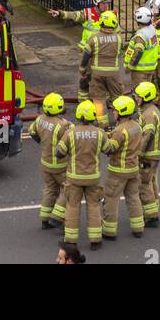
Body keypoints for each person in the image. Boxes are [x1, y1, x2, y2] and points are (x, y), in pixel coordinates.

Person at [55, 99, 115, 250]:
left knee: (72, 207)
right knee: (94, 206)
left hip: (74, 178)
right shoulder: (100, 133)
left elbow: (59, 153)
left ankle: (70, 241)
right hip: (93, 178)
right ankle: (95, 240)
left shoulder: (70, 133)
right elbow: (109, 150)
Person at [49, 0, 110, 100]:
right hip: (88, 52)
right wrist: (60, 13)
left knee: (102, 77)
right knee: (86, 76)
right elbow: (74, 15)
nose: (106, 6)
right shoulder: (88, 13)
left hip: (103, 52)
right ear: (97, 2)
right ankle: (83, 99)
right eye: (104, 3)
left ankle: (102, 99)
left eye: (107, 3)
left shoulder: (110, 15)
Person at [101, 95, 145, 240]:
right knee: (133, 198)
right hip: (133, 169)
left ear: (121, 112)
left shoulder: (120, 130)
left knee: (111, 199)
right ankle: (138, 228)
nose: (113, 112)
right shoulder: (136, 126)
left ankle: (109, 231)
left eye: (114, 110)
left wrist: (102, 139)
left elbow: (110, 148)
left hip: (118, 171)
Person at [28, 92, 71, 229]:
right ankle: (57, 217)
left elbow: (32, 132)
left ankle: (45, 220)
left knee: (50, 190)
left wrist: (42, 142)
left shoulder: (40, 119)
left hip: (45, 163)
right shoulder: (63, 125)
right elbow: (70, 141)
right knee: (67, 190)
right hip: (60, 165)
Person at [81, 9, 127, 128]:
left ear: (101, 22)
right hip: (113, 74)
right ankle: (122, 122)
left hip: (97, 74)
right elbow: (125, 49)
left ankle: (103, 124)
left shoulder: (94, 38)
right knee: (117, 97)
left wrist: (82, 69)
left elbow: (86, 56)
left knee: (98, 99)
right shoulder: (118, 38)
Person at [134, 79, 160, 228]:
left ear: (145, 97)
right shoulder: (149, 110)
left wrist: (139, 153)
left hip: (148, 155)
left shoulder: (149, 114)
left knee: (144, 184)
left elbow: (148, 135)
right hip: (153, 155)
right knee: (151, 182)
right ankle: (154, 208)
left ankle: (151, 216)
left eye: (138, 96)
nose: (136, 98)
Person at [124, 4, 159, 90]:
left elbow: (138, 53)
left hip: (140, 71)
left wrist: (130, 67)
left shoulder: (141, 36)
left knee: (139, 93)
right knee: (147, 91)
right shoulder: (151, 29)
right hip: (150, 68)